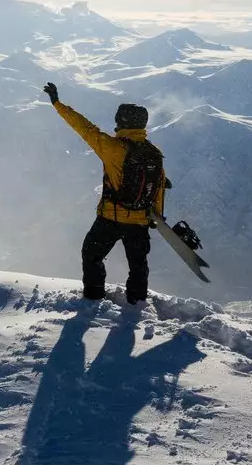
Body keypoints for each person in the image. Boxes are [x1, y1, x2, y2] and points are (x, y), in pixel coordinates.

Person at [43, 82, 166, 304]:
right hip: (139, 221)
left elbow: (84, 127)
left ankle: (94, 296)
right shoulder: (154, 153)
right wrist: (156, 215)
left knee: (91, 254)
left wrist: (57, 104)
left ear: (122, 122)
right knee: (138, 266)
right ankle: (137, 304)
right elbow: (158, 187)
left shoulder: (112, 148)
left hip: (111, 217)